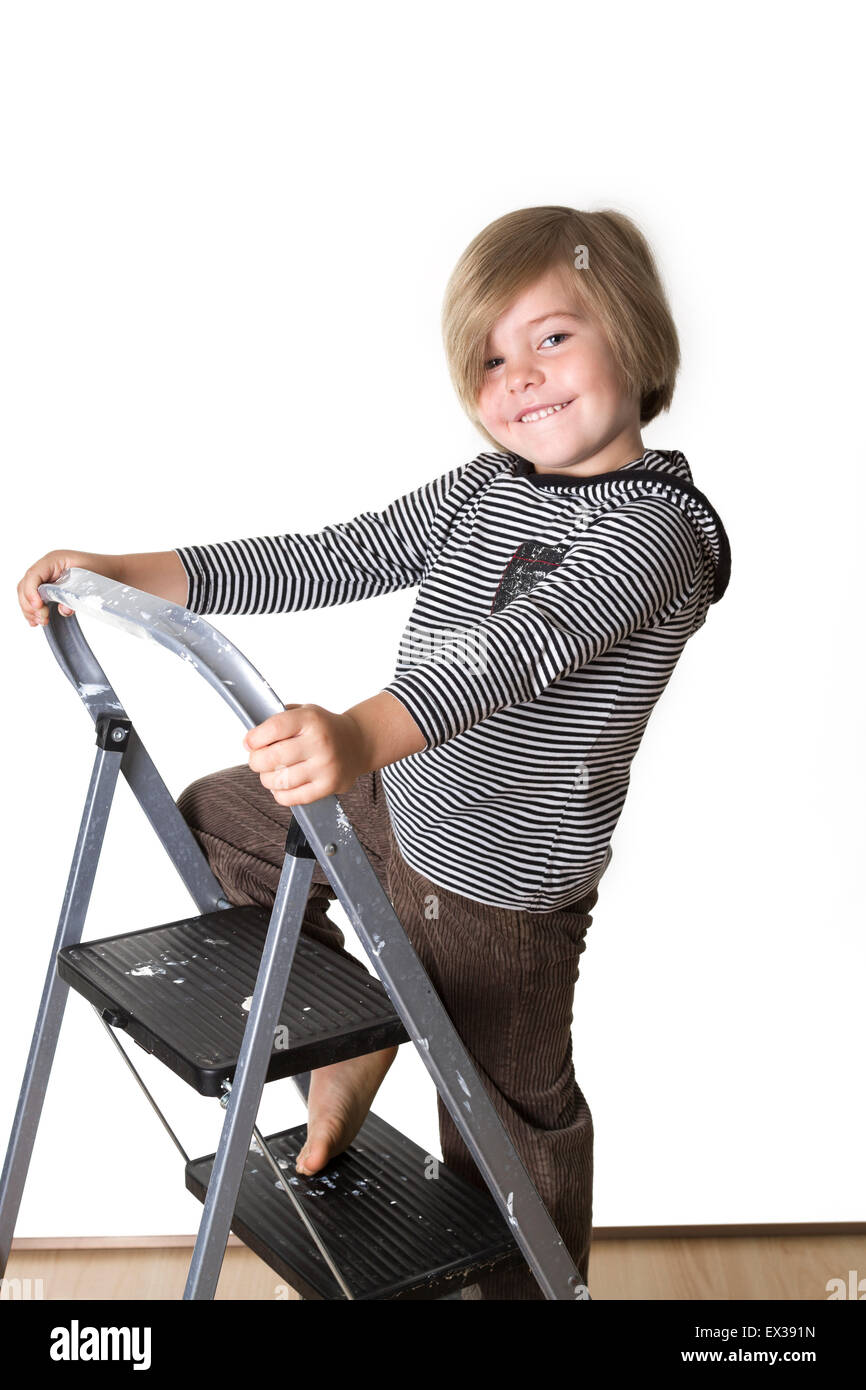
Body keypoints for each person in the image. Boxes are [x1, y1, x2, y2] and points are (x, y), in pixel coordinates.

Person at [17, 204, 730, 1300]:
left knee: (501, 1116)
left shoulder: (654, 530)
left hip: (499, 878)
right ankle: (351, 1037)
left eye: (550, 338)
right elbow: (330, 556)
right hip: (399, 802)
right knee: (225, 820)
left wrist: (355, 733)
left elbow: (510, 653)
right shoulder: (485, 487)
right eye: (488, 359)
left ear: (632, 334)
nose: (519, 377)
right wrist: (125, 567)